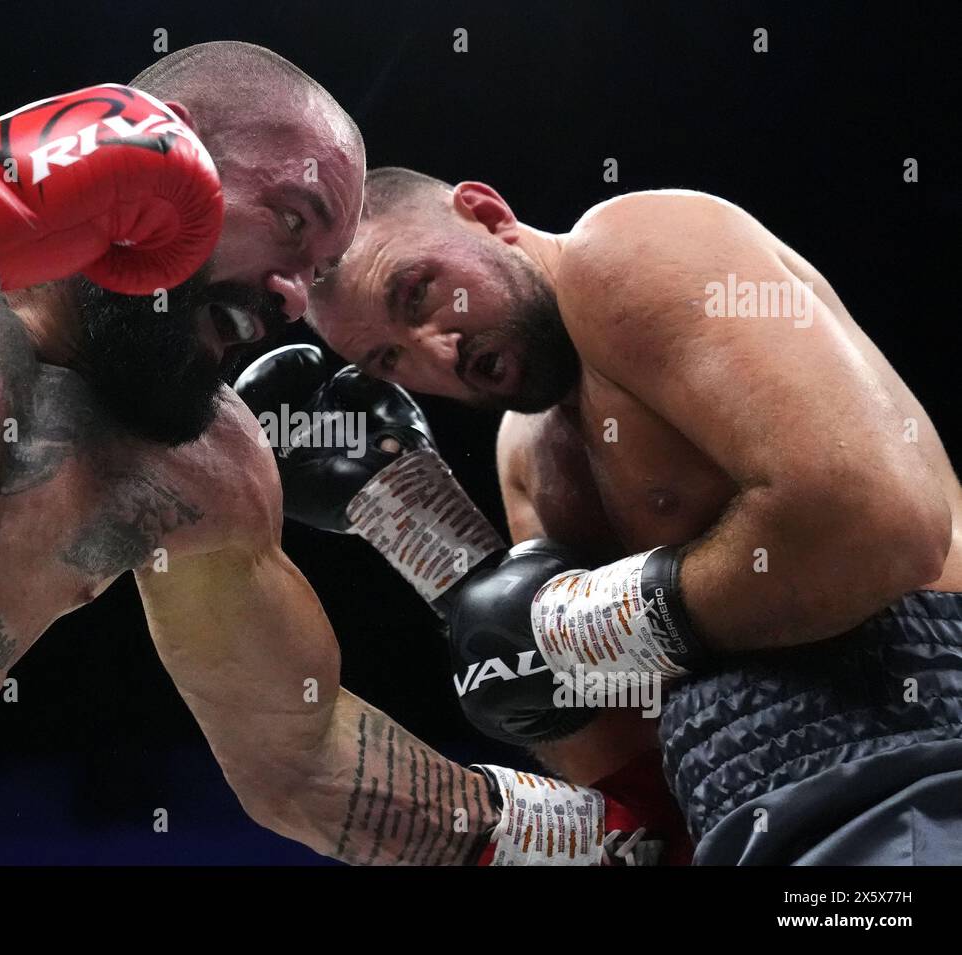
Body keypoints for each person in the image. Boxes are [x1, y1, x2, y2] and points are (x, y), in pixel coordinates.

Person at [0, 43, 659, 867]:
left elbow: (302, 758)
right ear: (162, 153)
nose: (286, 299)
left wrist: (601, 844)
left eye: (311, 279)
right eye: (293, 224)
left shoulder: (205, 474)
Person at [257, 166, 962, 863]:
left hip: (917, 759)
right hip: (744, 820)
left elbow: (883, 525)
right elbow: (621, 771)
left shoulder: (628, 247)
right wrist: (437, 549)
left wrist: (590, 623)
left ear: (486, 213)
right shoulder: (525, 454)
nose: (437, 352)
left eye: (417, 295)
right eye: (390, 360)